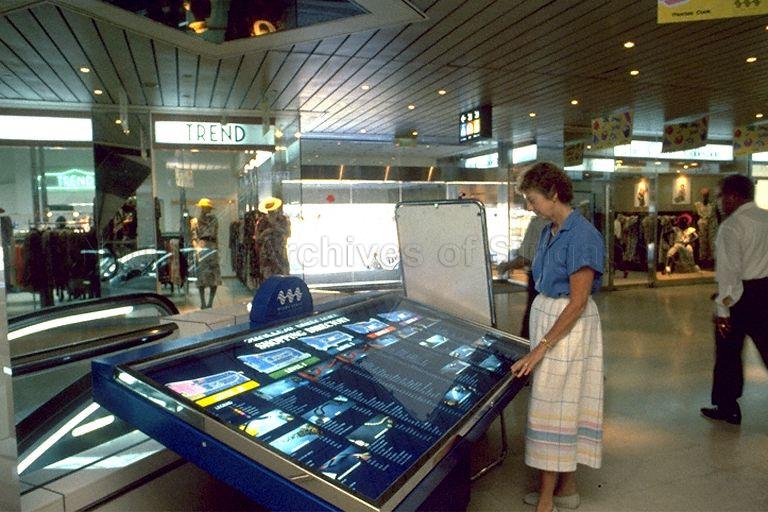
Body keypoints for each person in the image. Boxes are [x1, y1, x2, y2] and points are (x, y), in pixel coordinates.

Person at [510, 162, 605, 512]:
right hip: (550, 317)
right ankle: (566, 488)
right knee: (560, 404)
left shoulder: (581, 235)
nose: (529, 206)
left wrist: (541, 349)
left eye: (532, 199)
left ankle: (547, 500)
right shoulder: (551, 229)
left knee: (555, 406)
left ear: (553, 194)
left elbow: (578, 301)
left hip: (568, 326)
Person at [701, 175, 768, 425]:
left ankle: (728, 406)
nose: (719, 202)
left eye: (721, 196)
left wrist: (723, 311)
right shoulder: (766, 218)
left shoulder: (731, 226)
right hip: (766, 292)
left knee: (728, 353)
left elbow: (729, 275)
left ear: (733, 196)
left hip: (741, 298)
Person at [497, 214, 548, 338]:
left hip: (539, 278)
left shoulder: (538, 223)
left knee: (533, 316)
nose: (530, 207)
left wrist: (507, 266)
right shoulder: (574, 223)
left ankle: (527, 349)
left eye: (532, 200)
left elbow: (526, 257)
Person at [191, 197, 222, 309]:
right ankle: (203, 302)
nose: (207, 209)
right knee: (202, 276)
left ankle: (210, 302)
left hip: (212, 246)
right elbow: (194, 238)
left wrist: (217, 250)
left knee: (214, 275)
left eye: (208, 208)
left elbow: (216, 234)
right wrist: (197, 250)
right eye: (205, 207)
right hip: (202, 246)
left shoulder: (214, 219)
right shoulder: (195, 221)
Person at [254, 197, 290, 286]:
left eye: (272, 209)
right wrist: (266, 232)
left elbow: (288, 233)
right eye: (269, 209)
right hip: (266, 254)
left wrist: (275, 227)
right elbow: (258, 238)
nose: (271, 211)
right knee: (267, 279)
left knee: (282, 277)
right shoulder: (261, 221)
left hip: (280, 252)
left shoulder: (283, 219)